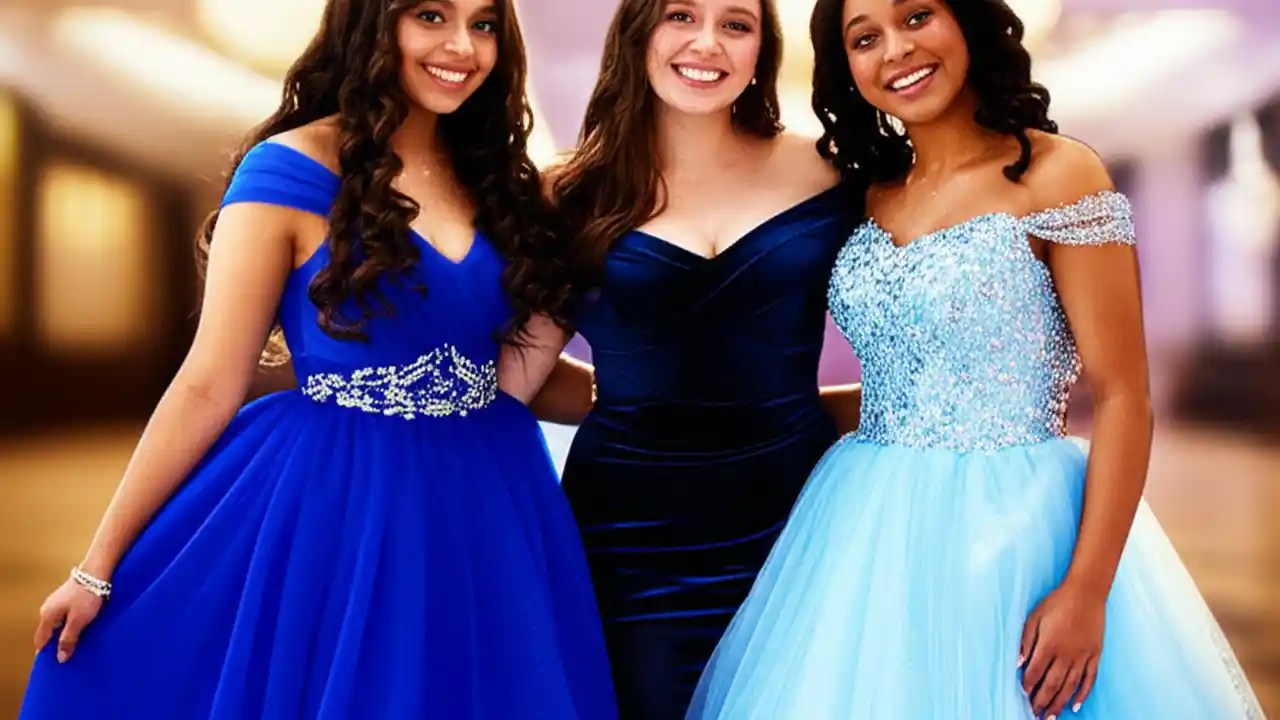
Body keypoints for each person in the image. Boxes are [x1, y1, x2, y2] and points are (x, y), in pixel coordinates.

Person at [20, 1, 616, 717]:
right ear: (372, 22)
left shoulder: (502, 186)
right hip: (341, 502)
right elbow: (210, 382)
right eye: (432, 15)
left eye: (484, 24)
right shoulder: (288, 171)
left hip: (490, 503)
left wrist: (659, 401)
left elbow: (509, 378)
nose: (463, 45)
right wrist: (95, 571)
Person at [686, 1, 1265, 718]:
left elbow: (1123, 394)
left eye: (917, 16)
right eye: (864, 39)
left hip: (1018, 524)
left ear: (966, 22)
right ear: (848, 69)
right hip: (864, 526)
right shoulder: (862, 197)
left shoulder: (1058, 174)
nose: (895, 49)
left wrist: (1086, 589)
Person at [545, 0, 862, 716]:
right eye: (681, 15)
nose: (708, 43)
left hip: (799, 512)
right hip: (630, 533)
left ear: (761, 50)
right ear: (638, 32)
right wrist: (636, 400)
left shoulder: (832, 174)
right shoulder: (567, 192)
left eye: (737, 24)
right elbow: (524, 376)